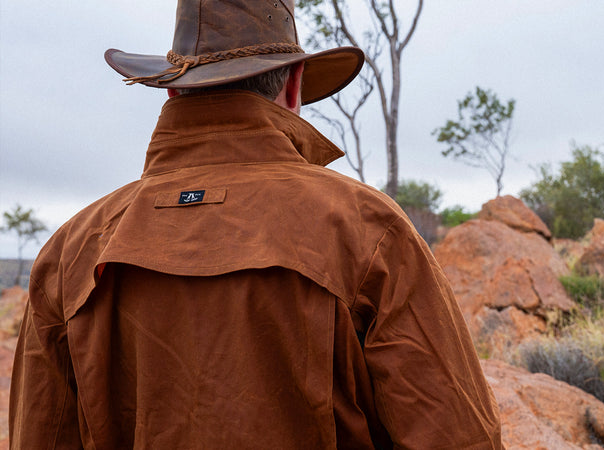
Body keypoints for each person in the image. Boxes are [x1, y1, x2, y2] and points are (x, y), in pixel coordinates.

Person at [10, 1, 502, 448]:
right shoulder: (367, 229)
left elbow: (41, 435)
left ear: (175, 86)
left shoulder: (69, 252)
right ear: (293, 84)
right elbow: (456, 437)